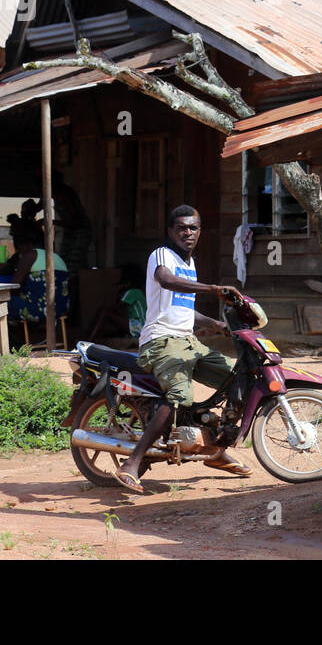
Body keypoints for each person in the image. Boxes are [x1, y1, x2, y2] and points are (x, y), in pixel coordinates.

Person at [115, 205, 249, 492]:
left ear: (200, 231)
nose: (187, 232)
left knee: (237, 377)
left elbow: (184, 308)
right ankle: (132, 463)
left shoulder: (190, 265)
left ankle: (215, 449)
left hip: (188, 342)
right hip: (161, 341)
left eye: (193, 228)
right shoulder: (162, 256)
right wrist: (213, 289)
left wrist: (217, 324)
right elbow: (166, 280)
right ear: (170, 232)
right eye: (181, 228)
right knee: (178, 396)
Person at [84, 264, 146, 341]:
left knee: (104, 312)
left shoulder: (132, 292)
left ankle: (89, 339)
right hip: (140, 324)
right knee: (106, 316)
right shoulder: (137, 291)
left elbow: (114, 308)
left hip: (139, 325)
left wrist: (117, 290)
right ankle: (89, 336)